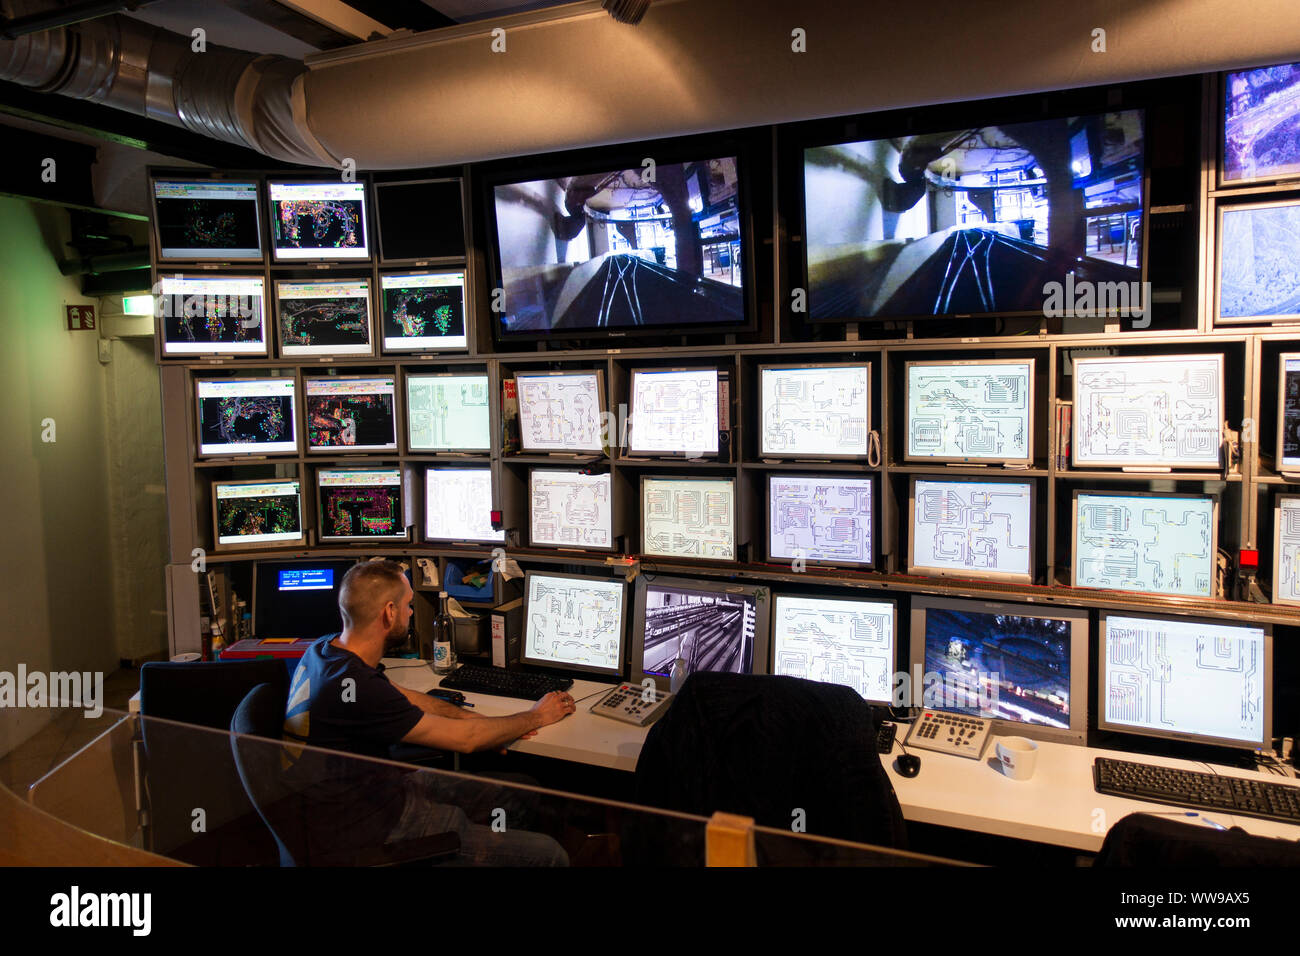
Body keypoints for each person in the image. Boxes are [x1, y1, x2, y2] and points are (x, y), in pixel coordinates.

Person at [282, 559, 575, 866]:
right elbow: (467, 742)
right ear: (389, 612)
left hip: (372, 795)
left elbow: (405, 697)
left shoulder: (324, 651)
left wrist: (480, 721)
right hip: (371, 829)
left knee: (519, 792)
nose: (411, 613)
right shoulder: (354, 683)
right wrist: (537, 716)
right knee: (551, 856)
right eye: (408, 605)